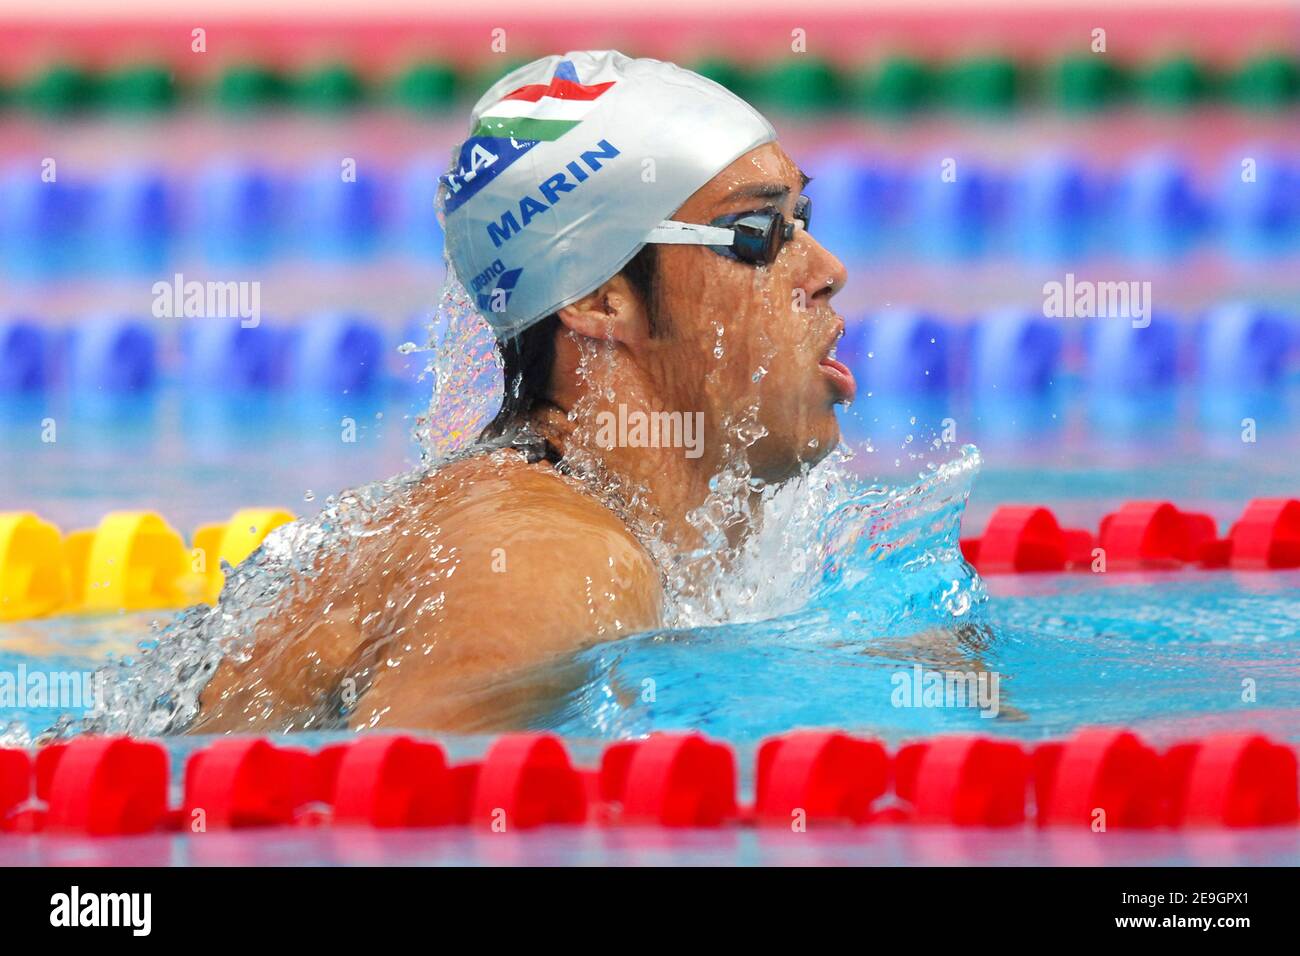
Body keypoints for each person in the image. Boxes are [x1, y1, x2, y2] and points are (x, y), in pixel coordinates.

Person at [193, 50, 851, 733]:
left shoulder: (577, 530)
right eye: (756, 235)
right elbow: (385, 813)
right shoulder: (555, 563)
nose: (828, 270)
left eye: (802, 218)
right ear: (600, 297)